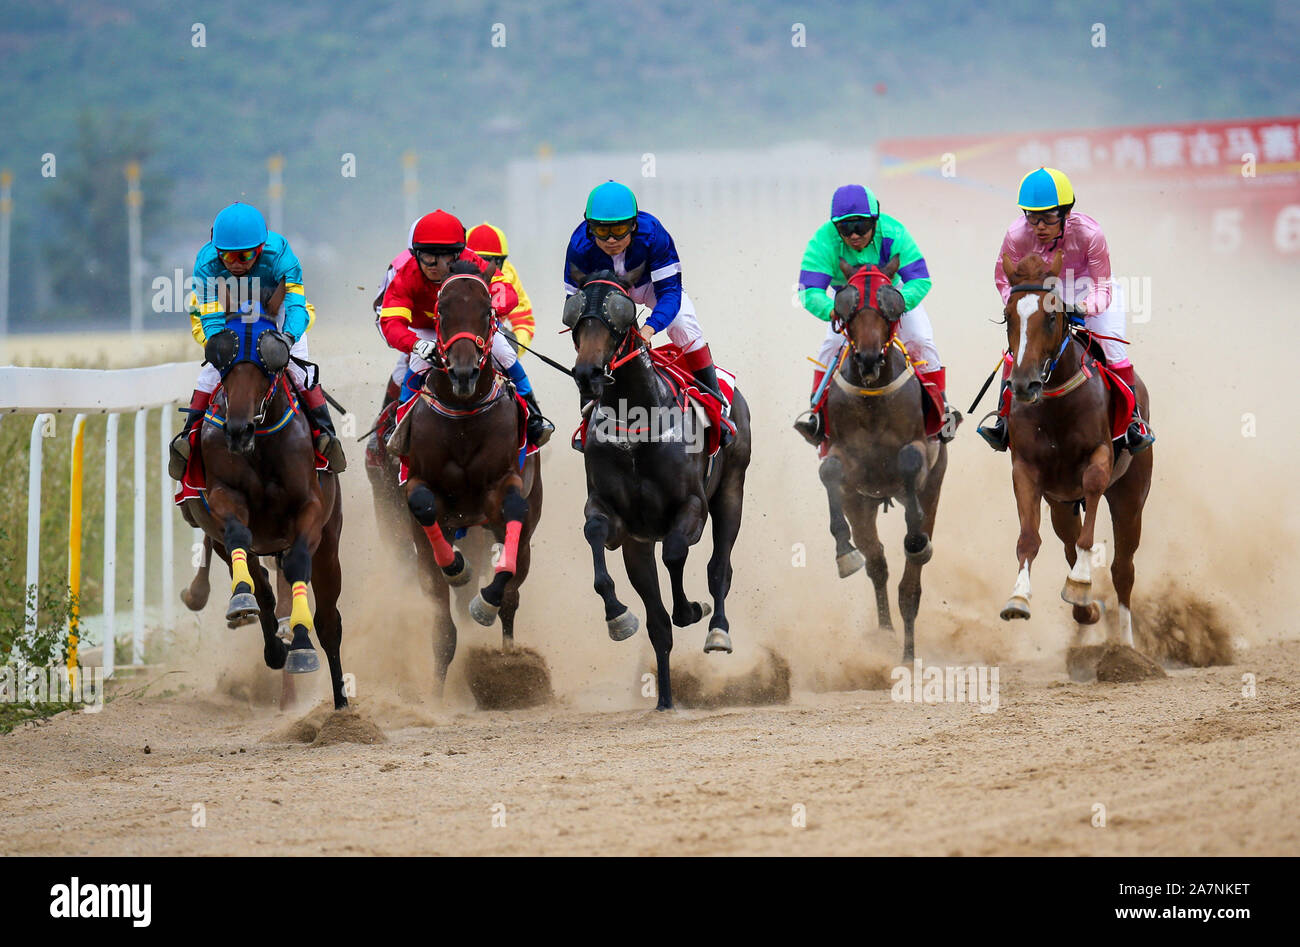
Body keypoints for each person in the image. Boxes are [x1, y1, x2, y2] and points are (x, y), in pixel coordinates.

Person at [979, 167, 1154, 454]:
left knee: (1112, 349)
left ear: (1065, 212)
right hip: (1040, 295)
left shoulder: (1090, 234)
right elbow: (1003, 278)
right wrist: (1021, 307)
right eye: (1032, 217)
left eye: (1048, 217)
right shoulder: (1015, 235)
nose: (1039, 227)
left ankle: (1133, 425)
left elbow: (1103, 288)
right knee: (1019, 349)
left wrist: (1081, 309)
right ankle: (1002, 422)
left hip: (1089, 292)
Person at [169, 202, 345, 481]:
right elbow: (212, 319)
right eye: (227, 256)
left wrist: (286, 339)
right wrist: (219, 347)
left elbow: (296, 306)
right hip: (230, 310)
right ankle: (189, 437)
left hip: (278, 311)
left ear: (261, 249)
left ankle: (325, 434)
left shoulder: (281, 257)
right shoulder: (206, 264)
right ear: (216, 250)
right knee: (210, 374)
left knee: (300, 372)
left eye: (246, 255)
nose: (236, 263)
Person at [563, 180, 730, 449]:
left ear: (634, 225)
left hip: (648, 285)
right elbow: (575, 305)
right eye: (601, 231)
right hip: (604, 294)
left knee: (683, 324)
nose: (611, 240)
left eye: (618, 229)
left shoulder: (654, 234)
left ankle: (715, 403)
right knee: (592, 327)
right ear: (589, 227)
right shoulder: (579, 245)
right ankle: (589, 411)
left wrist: (649, 329)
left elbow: (670, 293)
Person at [793, 184, 956, 449]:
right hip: (851, 302)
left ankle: (943, 408)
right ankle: (816, 416)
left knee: (919, 339)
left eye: (861, 226)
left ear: (875, 220)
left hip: (893, 297)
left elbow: (920, 279)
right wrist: (832, 310)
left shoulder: (894, 233)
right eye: (845, 228)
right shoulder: (823, 241)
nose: (854, 235)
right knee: (831, 346)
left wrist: (900, 302)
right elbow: (809, 290)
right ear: (836, 227)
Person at [376, 209, 553, 446]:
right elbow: (391, 322)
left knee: (506, 353)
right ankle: (399, 429)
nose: (435, 265)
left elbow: (505, 292)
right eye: (428, 255)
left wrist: (488, 311)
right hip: (427, 329)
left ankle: (534, 418)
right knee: (416, 364)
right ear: (415, 253)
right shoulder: (406, 273)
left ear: (459, 254)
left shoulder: (472, 261)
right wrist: (415, 344)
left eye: (446, 256)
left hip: (468, 327)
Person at [466, 222, 535, 356]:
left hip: (493, 333)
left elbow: (523, 319)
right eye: (478, 260)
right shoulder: (449, 274)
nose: (487, 268)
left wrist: (515, 347)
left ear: (503, 261)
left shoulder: (508, 273)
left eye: (495, 262)